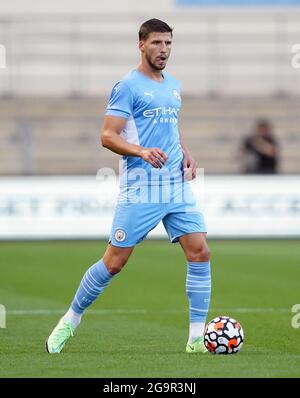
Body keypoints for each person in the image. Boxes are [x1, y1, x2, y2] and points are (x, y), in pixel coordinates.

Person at [46, 19, 211, 354]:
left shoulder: (174, 85)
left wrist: (187, 154)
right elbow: (107, 135)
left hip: (176, 185)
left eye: (168, 43)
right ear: (141, 44)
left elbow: (171, 130)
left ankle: (195, 340)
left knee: (200, 252)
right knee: (114, 263)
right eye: (157, 43)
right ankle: (69, 321)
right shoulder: (127, 86)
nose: (163, 50)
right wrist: (141, 151)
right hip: (141, 188)